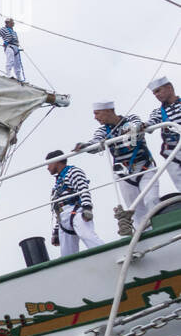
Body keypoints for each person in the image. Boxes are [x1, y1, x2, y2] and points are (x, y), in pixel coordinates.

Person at [75, 101, 159, 230]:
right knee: (135, 210)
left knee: (151, 200)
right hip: (124, 176)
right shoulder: (103, 131)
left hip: (144, 169)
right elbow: (96, 142)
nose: (95, 117)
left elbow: (137, 127)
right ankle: (144, 234)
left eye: (97, 113)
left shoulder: (131, 119)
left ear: (108, 111)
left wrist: (134, 129)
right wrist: (85, 146)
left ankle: (160, 226)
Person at [45, 151, 101, 256]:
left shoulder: (73, 171)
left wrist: (87, 208)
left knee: (88, 237)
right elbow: (59, 208)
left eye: (48, 164)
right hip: (63, 220)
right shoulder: (58, 181)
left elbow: (83, 189)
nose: (47, 167)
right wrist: (56, 230)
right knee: (66, 255)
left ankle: (106, 255)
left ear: (56, 162)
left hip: (76, 213)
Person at [146, 75, 181, 191]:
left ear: (169, 87)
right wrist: (143, 126)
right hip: (173, 154)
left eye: (158, 91)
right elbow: (151, 123)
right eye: (154, 93)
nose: (156, 95)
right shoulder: (158, 112)